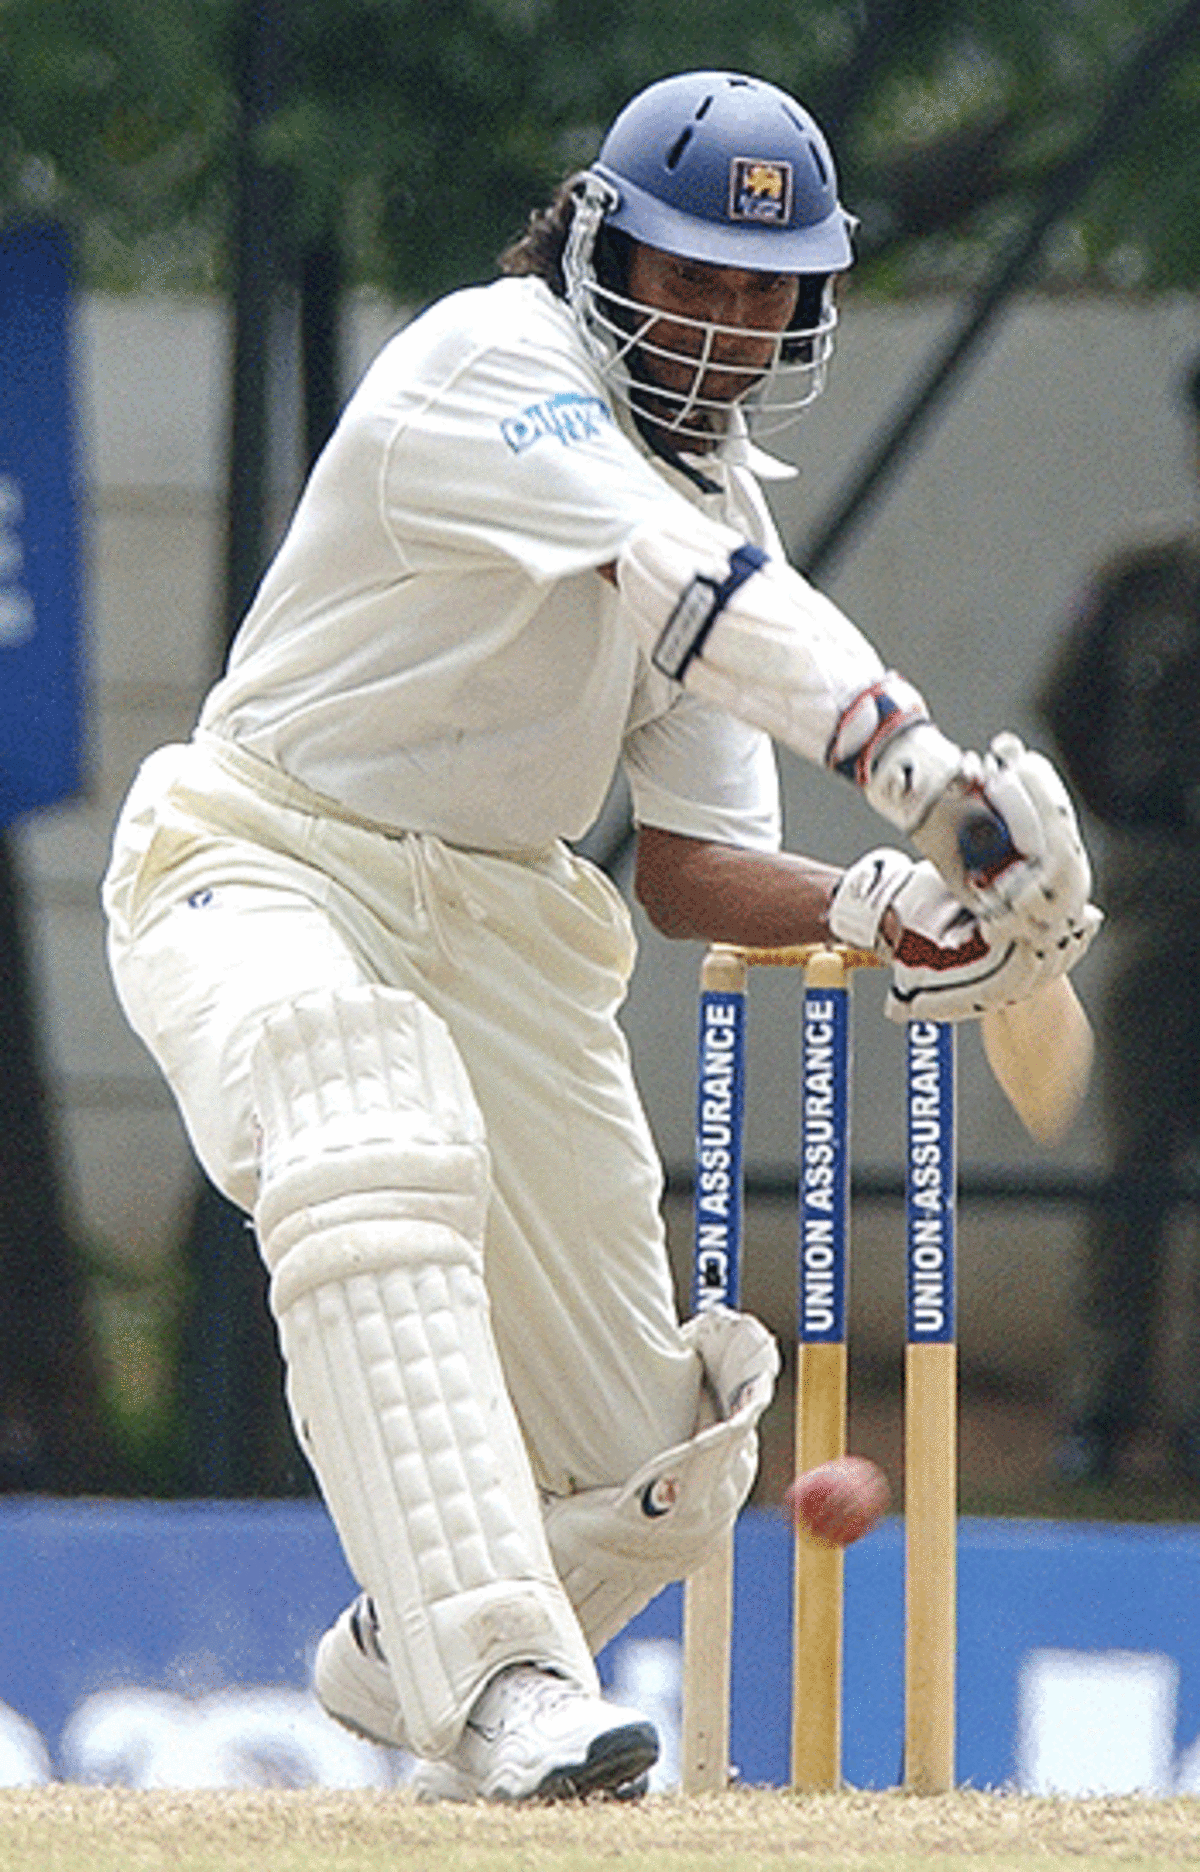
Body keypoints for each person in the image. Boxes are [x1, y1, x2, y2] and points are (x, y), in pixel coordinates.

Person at [102, 69, 1097, 1802]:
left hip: (505, 922)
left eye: (759, 290)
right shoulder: (490, 365)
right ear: (599, 253)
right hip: (264, 859)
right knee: (365, 1106)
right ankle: (493, 1679)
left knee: (672, 1460)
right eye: (687, 275)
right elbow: (688, 590)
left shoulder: (726, 509)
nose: (719, 323)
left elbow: (698, 865)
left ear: (812, 304)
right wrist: (923, 772)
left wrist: (895, 911)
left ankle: (400, 1638)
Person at [1043, 354, 1200, 1489]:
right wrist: (1132, 826)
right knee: (1134, 1153)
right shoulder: (1145, 577)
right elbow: (1067, 706)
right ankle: (1101, 1409)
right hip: (1163, 879)